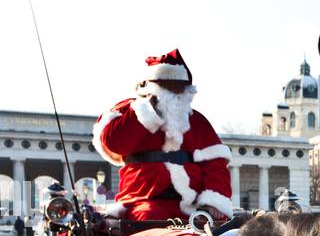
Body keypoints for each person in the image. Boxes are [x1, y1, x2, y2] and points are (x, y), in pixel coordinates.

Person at [92, 49, 233, 224]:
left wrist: (214, 201)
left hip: (193, 205)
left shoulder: (197, 121)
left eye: (179, 89)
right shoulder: (130, 113)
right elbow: (114, 144)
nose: (174, 94)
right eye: (166, 88)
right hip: (144, 200)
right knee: (147, 217)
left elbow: (216, 164)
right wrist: (146, 112)